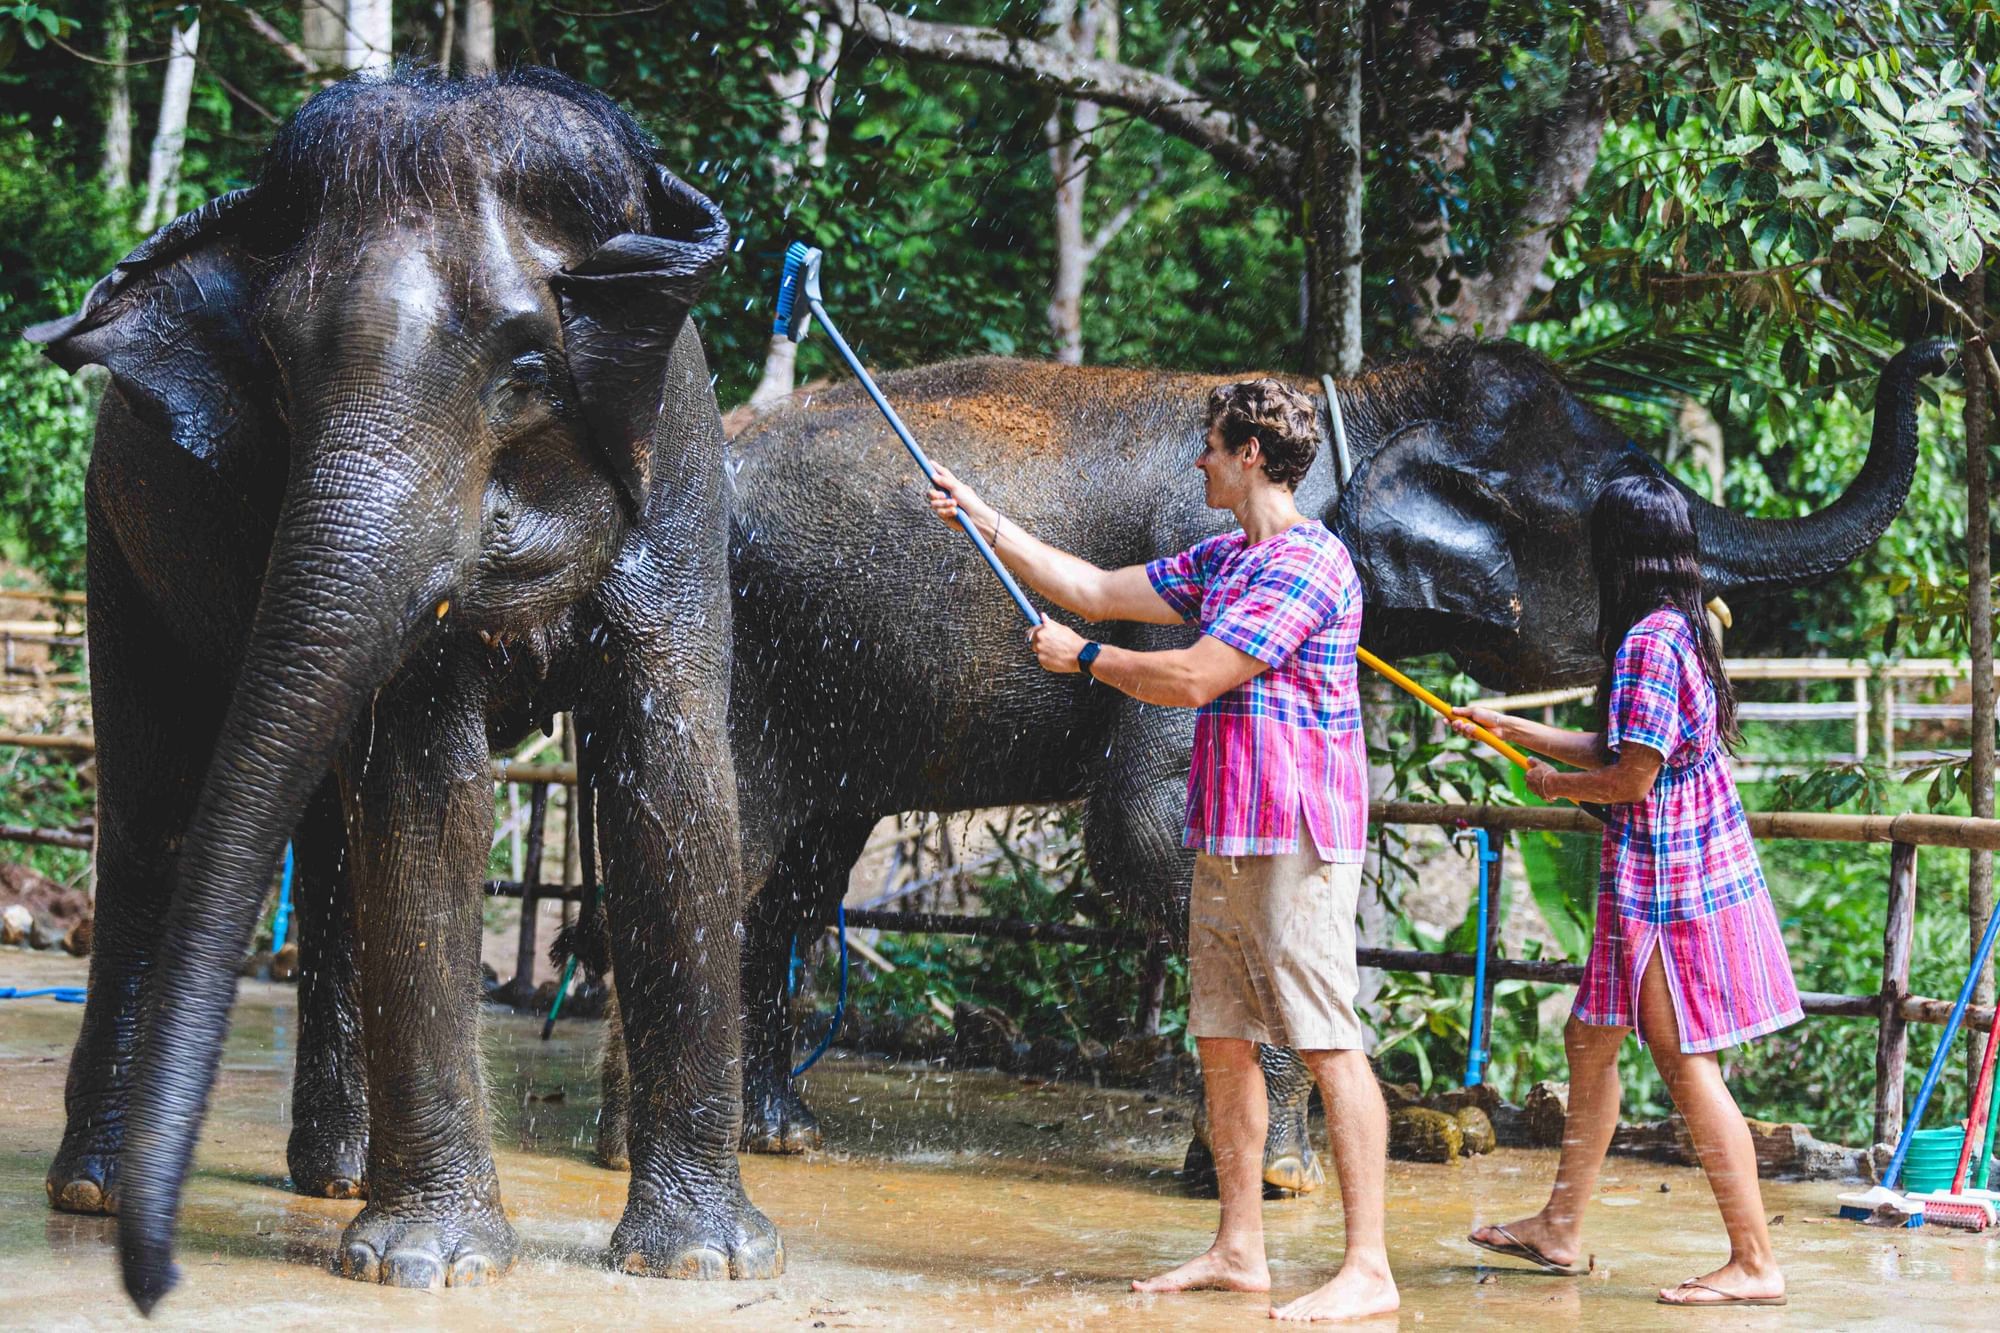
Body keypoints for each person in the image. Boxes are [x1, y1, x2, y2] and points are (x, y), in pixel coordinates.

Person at [927, 379, 1396, 1322]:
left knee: (1327, 1042)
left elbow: (1194, 675)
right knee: (1224, 1042)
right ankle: (1238, 1247)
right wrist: (981, 513)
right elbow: (1094, 589)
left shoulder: (1307, 565)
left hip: (1296, 836)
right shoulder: (1225, 556)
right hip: (1226, 831)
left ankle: (1369, 1266)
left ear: (1251, 453)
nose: (1200, 458)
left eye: (1212, 444)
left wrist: (1088, 659)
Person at [1452, 473, 1799, 1309]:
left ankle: (1754, 1260)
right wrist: (1514, 728)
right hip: (1655, 877)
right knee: (1590, 1040)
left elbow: (1631, 777)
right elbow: (1623, 742)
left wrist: (1554, 785)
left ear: (1618, 552)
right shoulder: (1678, 629)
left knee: (1684, 1064)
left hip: (1667, 885)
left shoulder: (1649, 641)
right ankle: (1561, 1227)